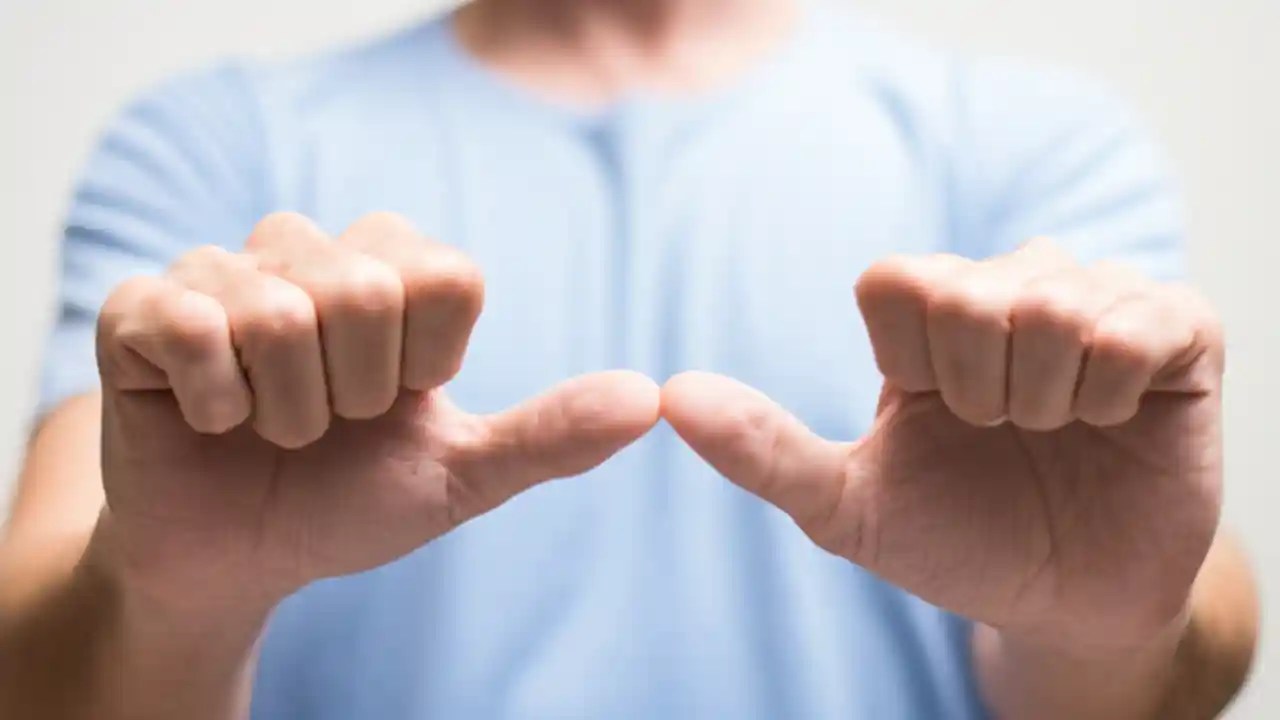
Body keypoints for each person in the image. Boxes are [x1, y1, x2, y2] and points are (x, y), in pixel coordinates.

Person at [0, 0, 1260, 717]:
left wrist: (1102, 639)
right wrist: (174, 601)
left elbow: (1174, 617)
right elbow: (40, 672)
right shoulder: (213, 148)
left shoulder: (1028, 147)